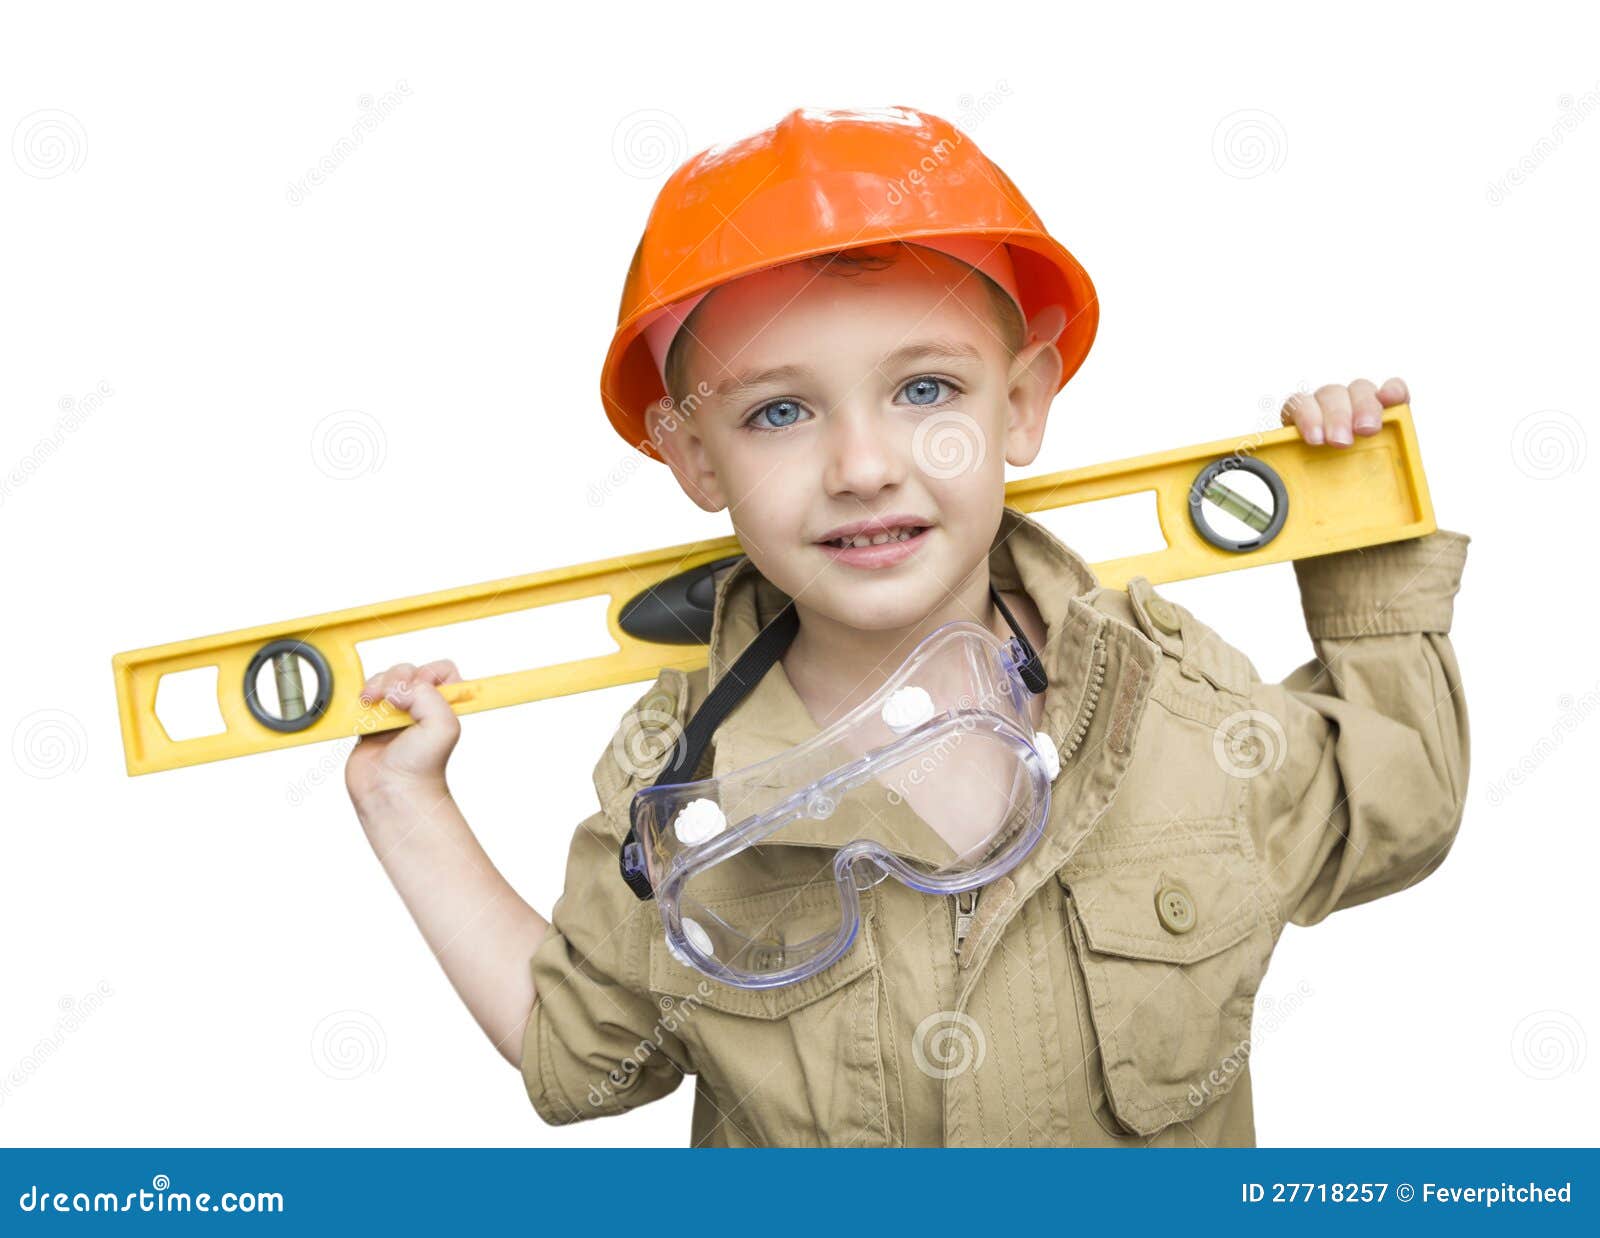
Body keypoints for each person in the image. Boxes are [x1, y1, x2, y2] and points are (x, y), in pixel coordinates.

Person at [345, 107, 1470, 1147]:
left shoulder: (1163, 696)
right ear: (693, 452)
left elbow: (1397, 810)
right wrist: (406, 802)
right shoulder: (676, 795)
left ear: (1019, 404)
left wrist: (1358, 545)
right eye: (778, 411)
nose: (864, 466)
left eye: (925, 390)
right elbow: (577, 1063)